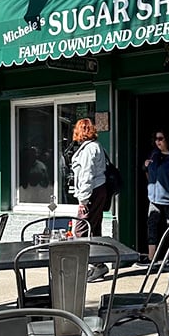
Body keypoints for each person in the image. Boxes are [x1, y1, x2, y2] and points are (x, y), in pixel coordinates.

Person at [70, 118, 109, 282]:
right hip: (99, 190)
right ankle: (98, 264)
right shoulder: (97, 147)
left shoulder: (88, 150)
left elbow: (86, 176)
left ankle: (85, 266)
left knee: (81, 230)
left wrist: (83, 201)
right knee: (94, 228)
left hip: (91, 193)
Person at [142, 129, 169, 264]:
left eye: (160, 139)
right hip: (153, 197)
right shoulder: (154, 155)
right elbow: (149, 172)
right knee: (151, 225)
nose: (157, 141)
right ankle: (151, 257)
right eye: (156, 139)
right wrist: (146, 166)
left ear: (167, 140)